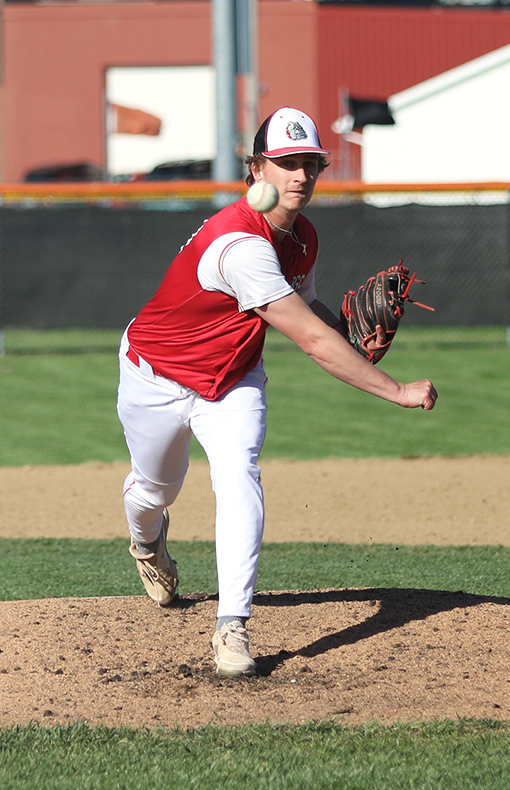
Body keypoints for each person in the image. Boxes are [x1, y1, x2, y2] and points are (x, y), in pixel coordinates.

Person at [117, 107, 437, 678]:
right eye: (286, 164)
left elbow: (310, 308)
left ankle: (231, 625)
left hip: (233, 378)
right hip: (157, 375)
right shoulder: (239, 244)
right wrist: (397, 391)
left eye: (310, 164)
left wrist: (349, 335)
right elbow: (312, 339)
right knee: (154, 491)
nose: (300, 177)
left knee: (238, 473)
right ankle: (148, 545)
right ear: (257, 169)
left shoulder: (302, 235)